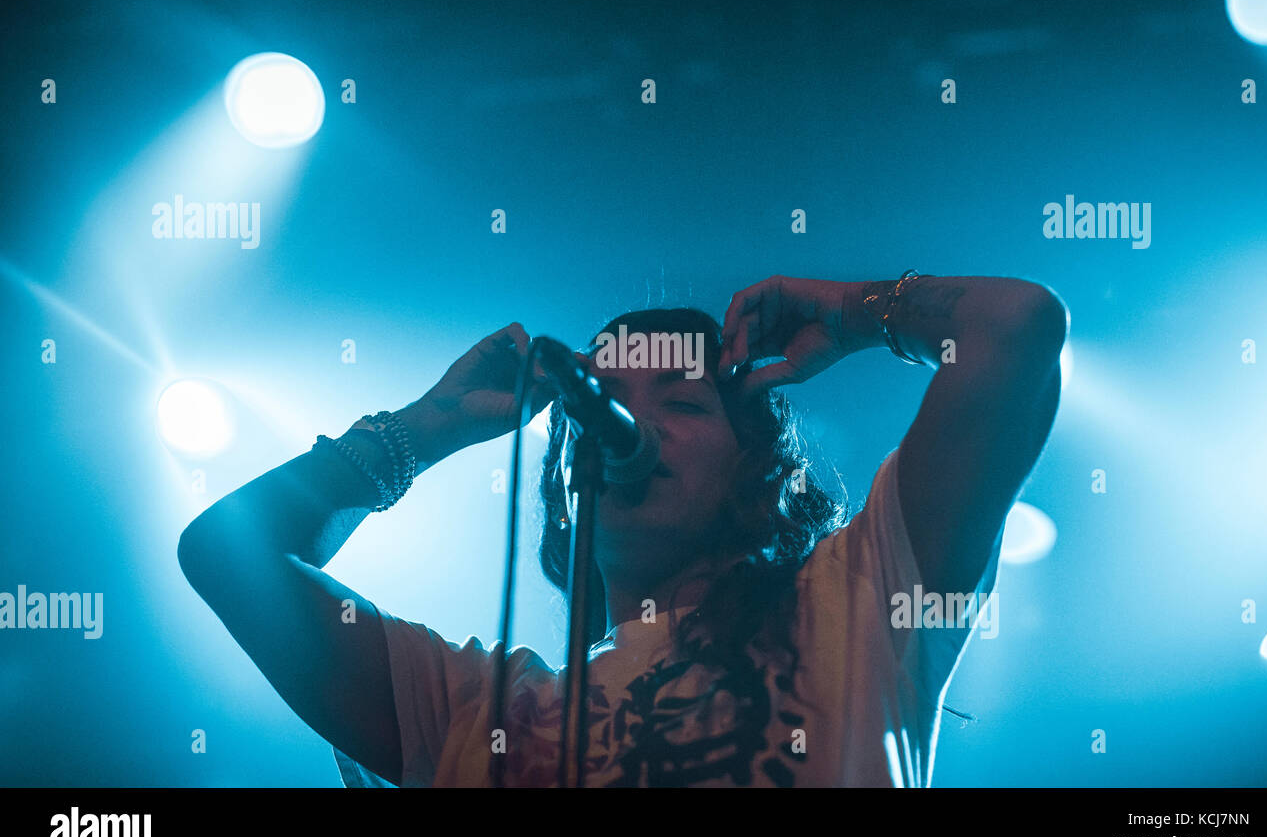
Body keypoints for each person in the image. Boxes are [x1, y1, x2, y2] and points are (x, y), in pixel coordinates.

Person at [177, 272, 1067, 787]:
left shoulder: (856, 607)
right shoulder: (472, 713)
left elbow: (1012, 327)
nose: (631, 428)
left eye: (681, 403)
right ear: (565, 484)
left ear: (757, 466)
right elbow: (229, 552)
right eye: (597, 408)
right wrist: (430, 422)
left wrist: (857, 310)